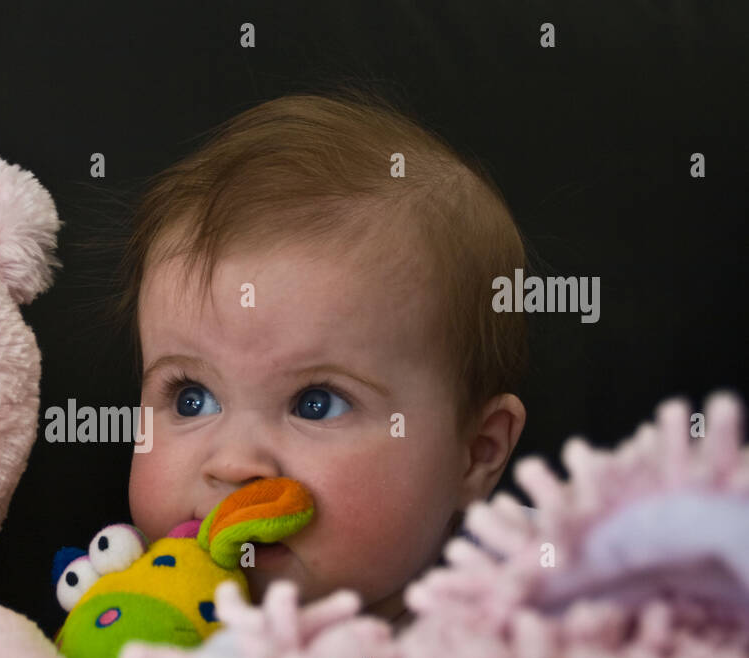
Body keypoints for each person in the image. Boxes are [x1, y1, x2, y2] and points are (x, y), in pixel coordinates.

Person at [117, 92, 529, 628]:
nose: (235, 464)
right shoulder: (134, 618)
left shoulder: (543, 608)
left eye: (316, 404)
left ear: (475, 454)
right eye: (191, 397)